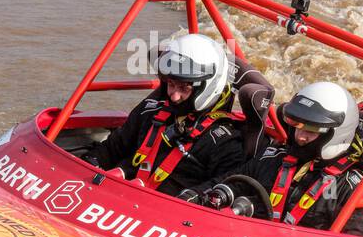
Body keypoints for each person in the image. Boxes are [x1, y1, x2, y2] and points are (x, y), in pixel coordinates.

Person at [196, 81, 363, 237]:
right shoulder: (273, 158)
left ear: (336, 134)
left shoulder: (358, 189)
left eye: (311, 131)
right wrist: (194, 197)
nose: (300, 137)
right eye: (296, 125)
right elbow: (225, 183)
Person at [85, 33, 258, 196]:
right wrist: (88, 165)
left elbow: (221, 193)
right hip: (117, 198)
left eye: (184, 88)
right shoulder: (149, 111)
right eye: (171, 84)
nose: (174, 96)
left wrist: (193, 196)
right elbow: (110, 149)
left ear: (206, 87)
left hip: (168, 217)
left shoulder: (225, 143)